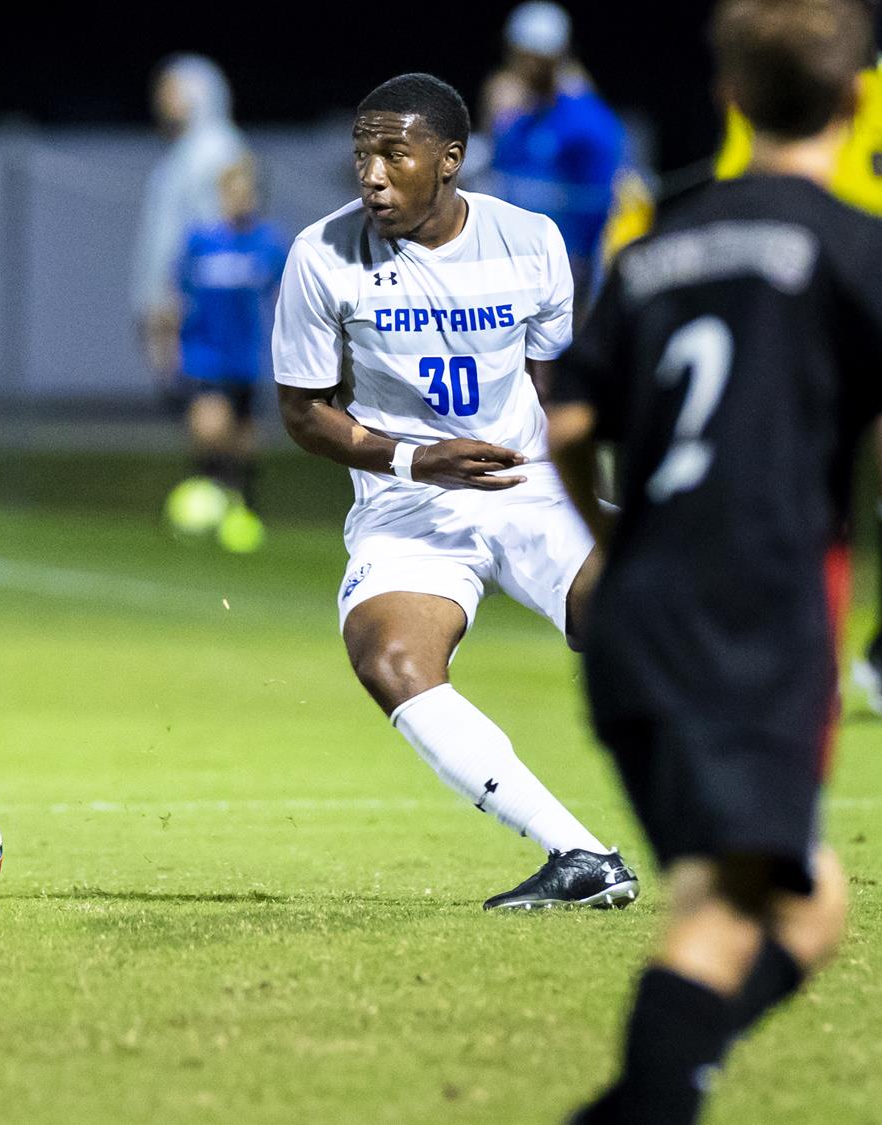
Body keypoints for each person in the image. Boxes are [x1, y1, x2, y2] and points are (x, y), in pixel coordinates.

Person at [546, 1, 882, 1119]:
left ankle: (641, 1097)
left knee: (806, 903)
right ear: (852, 101)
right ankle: (643, 1104)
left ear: (726, 99)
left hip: (637, 623)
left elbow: (561, 427)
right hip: (743, 619)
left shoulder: (658, 244)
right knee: (728, 910)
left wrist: (610, 542)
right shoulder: (844, 242)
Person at [273, 73, 638, 910]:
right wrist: (413, 459)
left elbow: (557, 394)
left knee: (634, 614)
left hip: (529, 480)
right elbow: (303, 413)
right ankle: (579, 855)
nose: (369, 173)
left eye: (392, 154)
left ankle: (737, 831)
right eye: (362, 154)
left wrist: (601, 506)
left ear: (449, 160)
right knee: (390, 659)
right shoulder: (321, 254)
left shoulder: (531, 240)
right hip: (407, 500)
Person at [715, 0, 882, 715]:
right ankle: (806, 644)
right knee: (808, 485)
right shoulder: (777, 88)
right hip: (795, 313)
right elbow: (739, 186)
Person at [159, 157, 288, 552]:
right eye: (234, 190)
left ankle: (242, 511)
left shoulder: (267, 244)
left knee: (245, 444)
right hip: (204, 357)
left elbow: (285, 298)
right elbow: (174, 298)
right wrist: (166, 347)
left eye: (247, 190)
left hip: (245, 361)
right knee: (211, 429)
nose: (240, 198)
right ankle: (204, 500)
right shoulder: (200, 241)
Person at [482, 2, 628, 308]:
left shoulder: (586, 119)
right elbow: (500, 170)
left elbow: (602, 201)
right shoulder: (522, 115)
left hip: (566, 267)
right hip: (513, 261)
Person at [132, 54, 246, 392]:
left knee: (213, 407)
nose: (160, 100)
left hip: (200, 304)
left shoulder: (216, 150)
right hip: (179, 297)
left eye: (169, 90)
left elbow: (218, 234)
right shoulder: (183, 152)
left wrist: (177, 297)